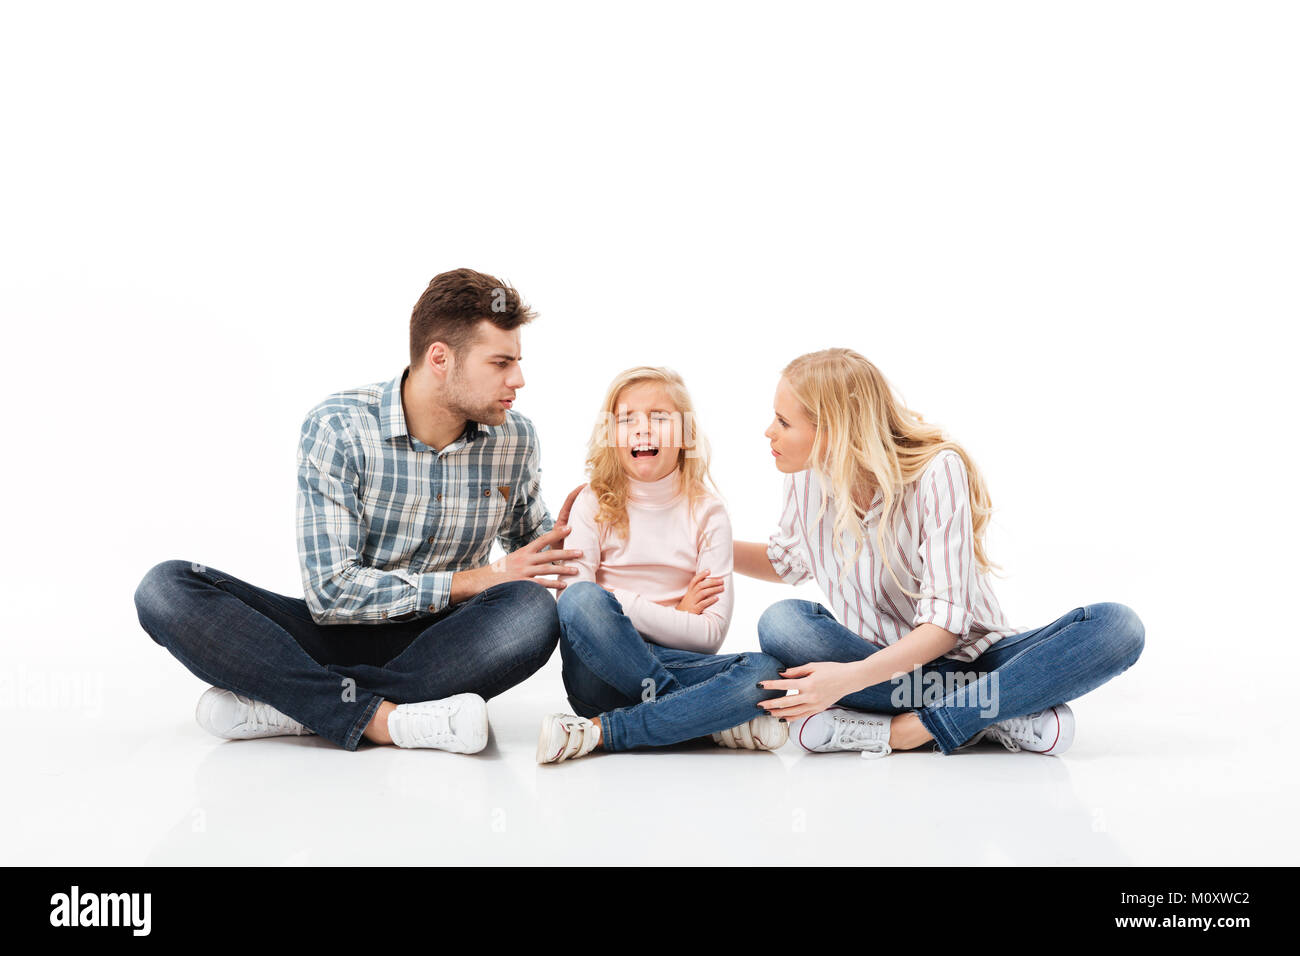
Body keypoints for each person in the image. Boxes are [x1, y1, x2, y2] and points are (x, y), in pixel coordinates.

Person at [133, 268, 585, 753]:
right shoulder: (339, 427)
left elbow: (532, 550)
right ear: (440, 358)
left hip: (448, 643)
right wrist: (474, 579)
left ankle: (296, 703)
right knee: (166, 587)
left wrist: (598, 535)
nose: (518, 379)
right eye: (501, 362)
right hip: (335, 630)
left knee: (533, 613)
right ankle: (386, 720)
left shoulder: (515, 438)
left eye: (516, 361)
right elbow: (330, 593)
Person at [733, 348, 1145, 759]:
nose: (769, 432)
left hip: (975, 658)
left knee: (1118, 626)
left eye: (784, 422)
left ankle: (917, 728)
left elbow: (945, 627)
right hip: (886, 668)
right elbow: (786, 562)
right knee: (782, 623)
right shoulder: (806, 477)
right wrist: (702, 548)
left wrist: (846, 683)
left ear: (835, 430)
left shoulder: (937, 470)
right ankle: (997, 707)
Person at [536, 367, 787, 764]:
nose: (642, 429)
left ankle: (609, 731)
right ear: (612, 435)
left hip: (676, 662)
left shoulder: (709, 511)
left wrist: (621, 604)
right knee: (583, 598)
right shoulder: (592, 502)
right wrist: (672, 614)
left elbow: (708, 637)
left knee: (767, 671)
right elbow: (575, 606)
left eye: (659, 417)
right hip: (599, 674)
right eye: (627, 419)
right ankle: (698, 715)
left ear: (686, 435)